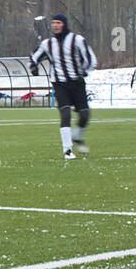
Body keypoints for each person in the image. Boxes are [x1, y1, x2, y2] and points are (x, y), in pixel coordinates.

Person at [30, 13, 96, 160]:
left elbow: (91, 59)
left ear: (64, 24)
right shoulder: (48, 43)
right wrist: (33, 67)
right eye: (53, 23)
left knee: (84, 115)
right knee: (65, 114)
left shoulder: (77, 40)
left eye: (58, 23)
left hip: (77, 83)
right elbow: (34, 56)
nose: (55, 25)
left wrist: (85, 71)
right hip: (60, 84)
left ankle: (77, 136)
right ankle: (67, 151)